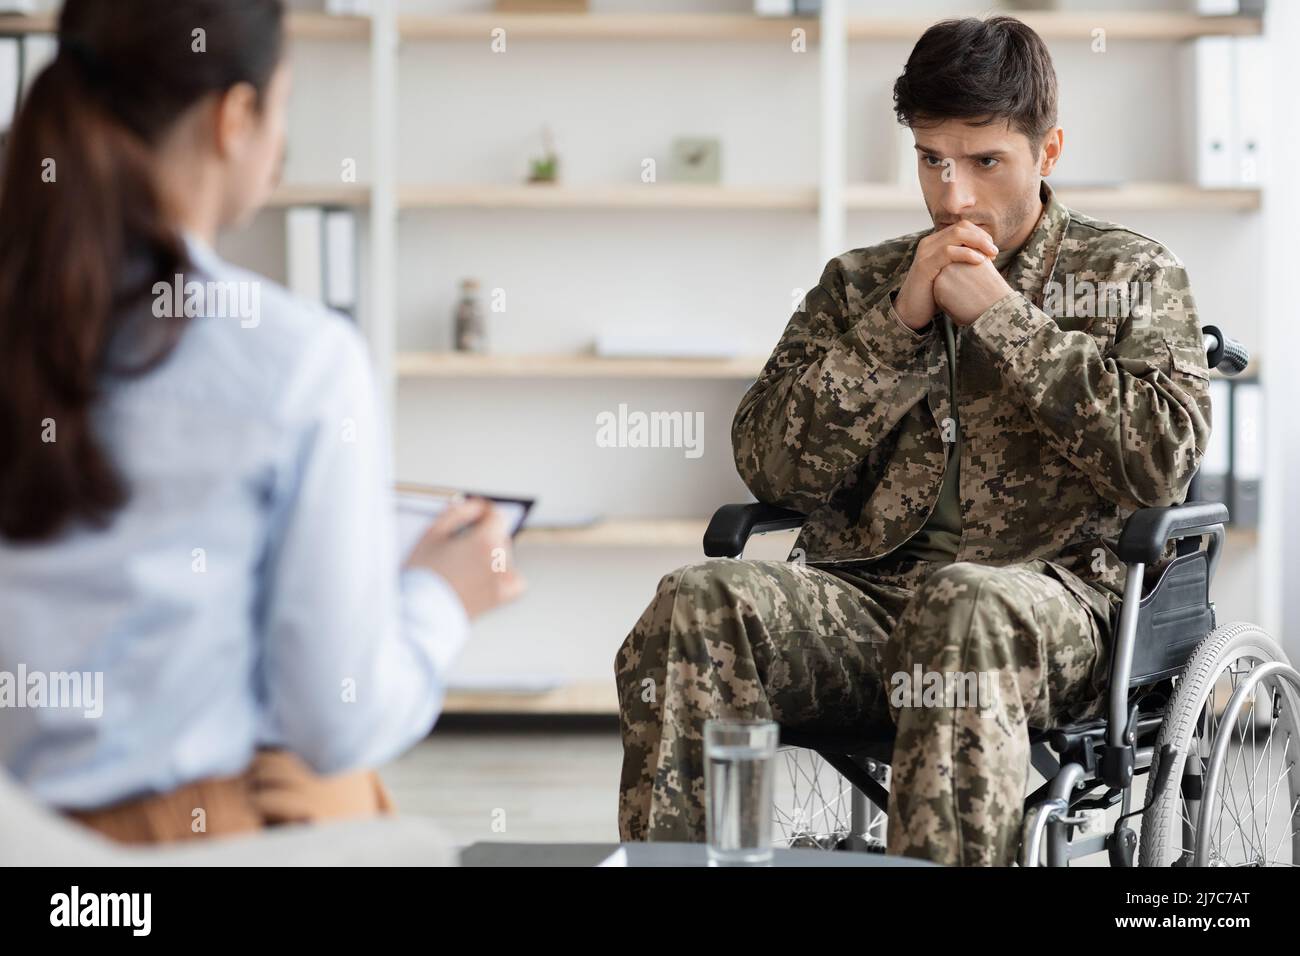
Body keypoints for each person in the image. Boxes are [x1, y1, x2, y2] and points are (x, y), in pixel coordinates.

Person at [615, 15, 1212, 866]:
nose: (954, 195)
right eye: (932, 159)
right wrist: (898, 324)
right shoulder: (860, 282)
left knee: (963, 603)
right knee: (700, 599)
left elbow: (1163, 460)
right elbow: (770, 463)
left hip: (1054, 612)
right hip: (868, 607)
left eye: (984, 161)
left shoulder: (1130, 274)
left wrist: (1005, 321)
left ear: (1048, 152)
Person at [0, 0, 523, 844]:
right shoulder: (295, 360)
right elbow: (335, 720)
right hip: (163, 842)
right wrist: (441, 597)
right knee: (347, 787)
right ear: (234, 117)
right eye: (282, 107)